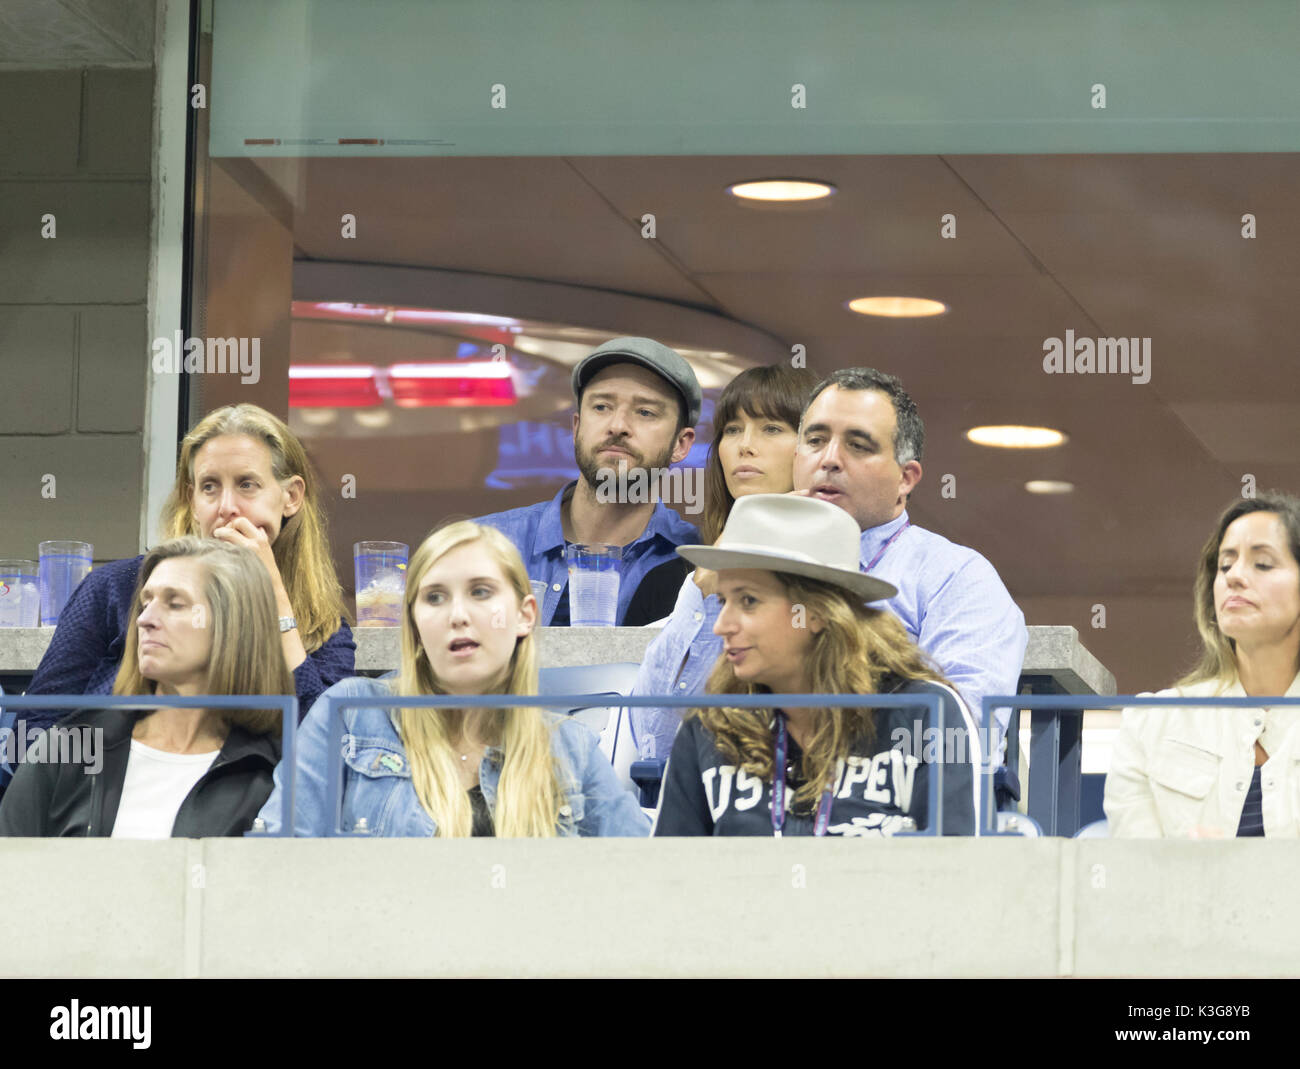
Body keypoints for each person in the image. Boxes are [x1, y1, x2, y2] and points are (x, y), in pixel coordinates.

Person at [259, 521, 650, 837]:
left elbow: (646, 883)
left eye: (480, 592)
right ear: (413, 622)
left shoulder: (572, 749)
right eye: (434, 597)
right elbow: (275, 865)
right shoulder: (350, 713)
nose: (457, 615)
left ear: (524, 615)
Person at [17, 404, 355, 753]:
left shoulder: (322, 623)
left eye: (247, 484)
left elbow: (329, 752)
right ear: (192, 500)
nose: (226, 506)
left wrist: (274, 596)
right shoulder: (118, 587)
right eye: (209, 487)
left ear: (291, 497)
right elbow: (34, 727)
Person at [653, 494, 978, 837]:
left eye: (748, 601)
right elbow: (666, 882)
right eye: (723, 601)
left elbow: (958, 876)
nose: (722, 625)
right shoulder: (708, 728)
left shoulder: (927, 714)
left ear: (817, 612)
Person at [793, 369, 1027, 765]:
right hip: (740, 803)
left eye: (858, 445)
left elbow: (959, 743)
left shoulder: (956, 577)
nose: (829, 459)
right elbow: (658, 733)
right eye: (815, 441)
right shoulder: (738, 567)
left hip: (886, 810)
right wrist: (713, 588)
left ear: (906, 478)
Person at [0, 538, 292, 837]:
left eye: (175, 604)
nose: (145, 619)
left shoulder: (274, 771)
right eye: (145, 602)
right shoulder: (68, 748)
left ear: (236, 625)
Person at [629, 363, 820, 761]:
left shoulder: (843, 569)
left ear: (814, 448)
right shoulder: (690, 576)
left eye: (771, 428)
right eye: (732, 429)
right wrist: (704, 592)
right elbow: (654, 740)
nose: (744, 445)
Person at [1105, 492, 1300, 838]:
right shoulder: (1150, 721)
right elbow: (1134, 875)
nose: (1234, 577)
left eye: (1263, 564)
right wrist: (1185, 868)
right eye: (1225, 565)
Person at [475, 336, 701, 626]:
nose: (617, 426)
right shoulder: (485, 545)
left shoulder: (698, 564)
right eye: (601, 407)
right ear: (577, 427)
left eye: (645, 412)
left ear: (681, 444)